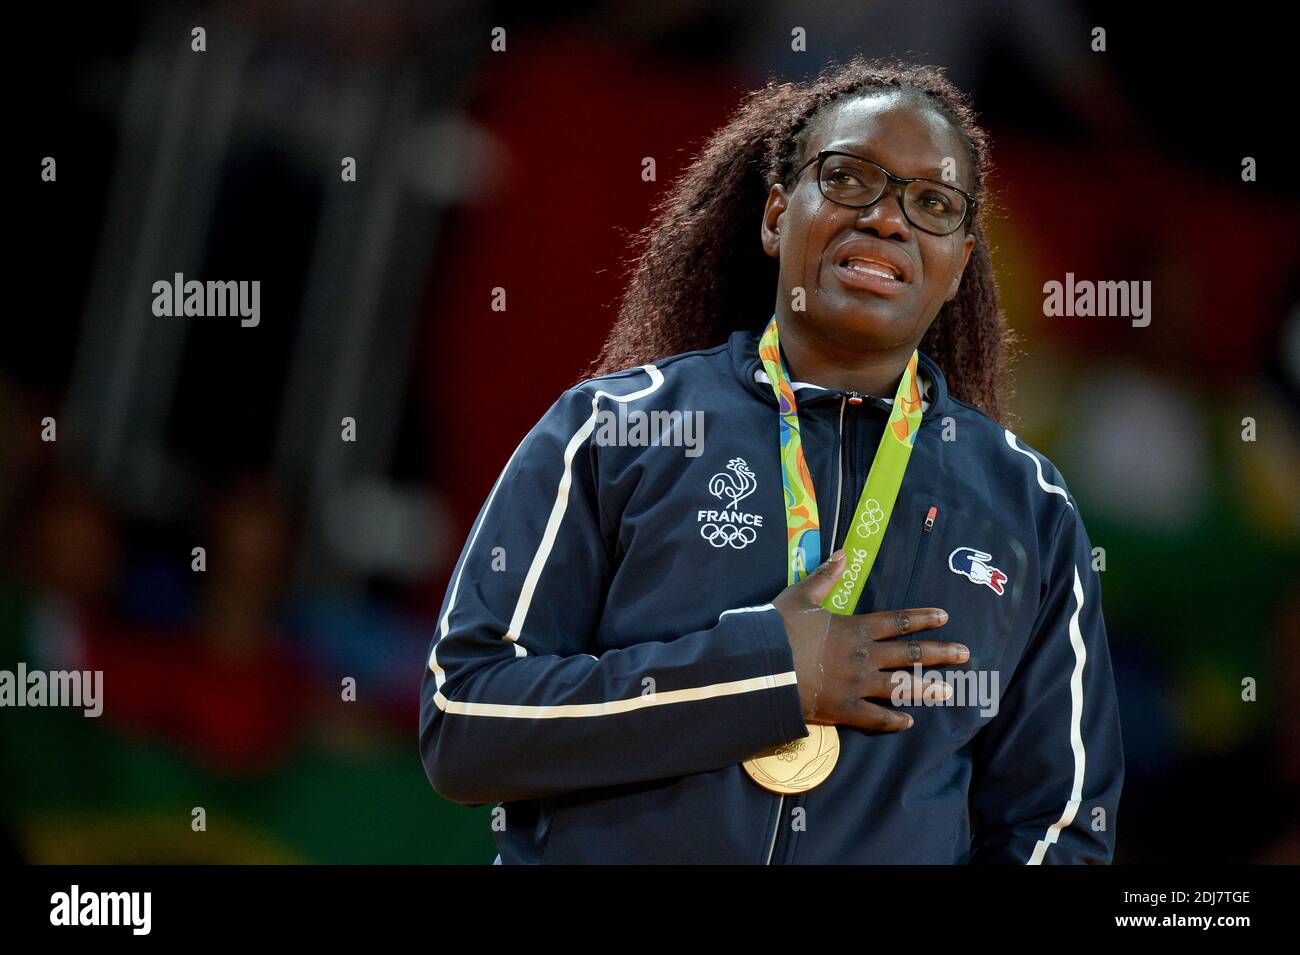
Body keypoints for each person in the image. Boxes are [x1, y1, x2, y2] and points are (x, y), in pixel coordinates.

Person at [418, 56, 1124, 864]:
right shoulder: (615, 430)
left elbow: (1059, 829)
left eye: (931, 202)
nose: (889, 220)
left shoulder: (1026, 506)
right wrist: (762, 675)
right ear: (776, 216)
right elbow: (465, 720)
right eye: (850, 178)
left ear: (960, 262)